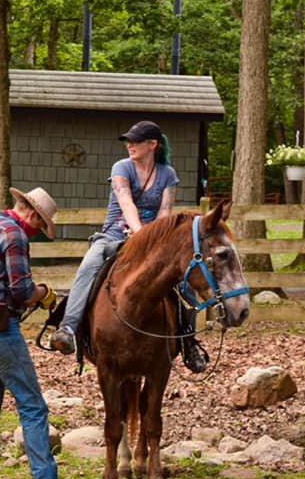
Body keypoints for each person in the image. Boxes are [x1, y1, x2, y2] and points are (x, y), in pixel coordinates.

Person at [49, 120, 205, 372]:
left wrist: (153, 242)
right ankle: (68, 327)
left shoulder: (168, 174)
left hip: (154, 240)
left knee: (184, 282)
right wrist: (140, 234)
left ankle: (188, 343)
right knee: (89, 265)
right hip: (114, 235)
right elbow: (126, 203)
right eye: (128, 141)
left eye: (135, 141)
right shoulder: (121, 167)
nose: (129, 145)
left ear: (152, 144)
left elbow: (165, 212)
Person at [0, 186, 80, 479]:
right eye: (39, 226)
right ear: (31, 214)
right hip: (4, 330)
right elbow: (21, 289)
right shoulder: (16, 234)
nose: (37, 233)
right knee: (33, 408)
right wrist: (45, 294)